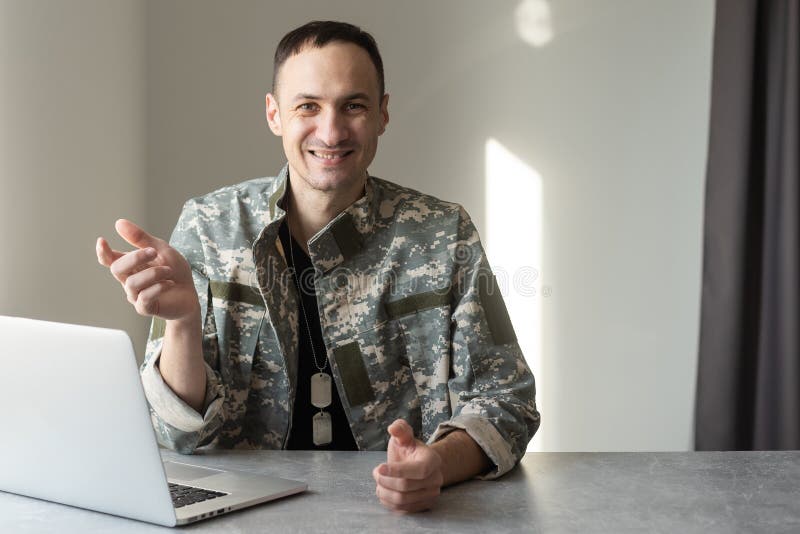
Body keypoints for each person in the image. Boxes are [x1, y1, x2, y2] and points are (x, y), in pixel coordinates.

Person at [96, 20, 540, 514]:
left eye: (353, 105)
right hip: (245, 519)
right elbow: (174, 435)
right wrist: (181, 323)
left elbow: (508, 402)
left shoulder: (442, 232)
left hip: (398, 516)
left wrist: (436, 464)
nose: (331, 131)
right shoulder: (209, 226)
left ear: (382, 114)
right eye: (308, 106)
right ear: (274, 114)